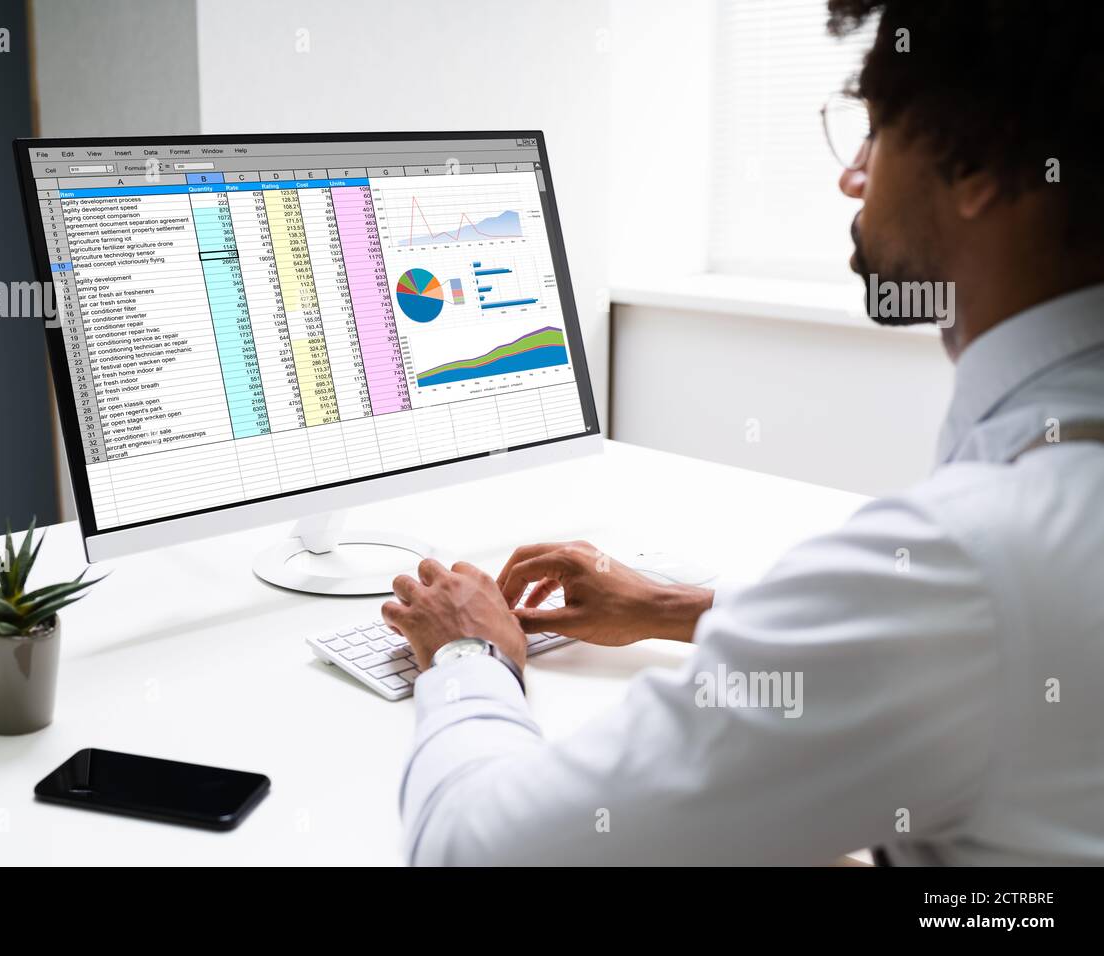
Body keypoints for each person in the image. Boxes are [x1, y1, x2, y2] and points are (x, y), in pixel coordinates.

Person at [382, 0, 1104, 866]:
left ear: (981, 160)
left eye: (875, 130)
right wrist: (669, 608)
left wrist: (468, 658)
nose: (853, 176)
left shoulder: (974, 564)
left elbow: (473, 851)